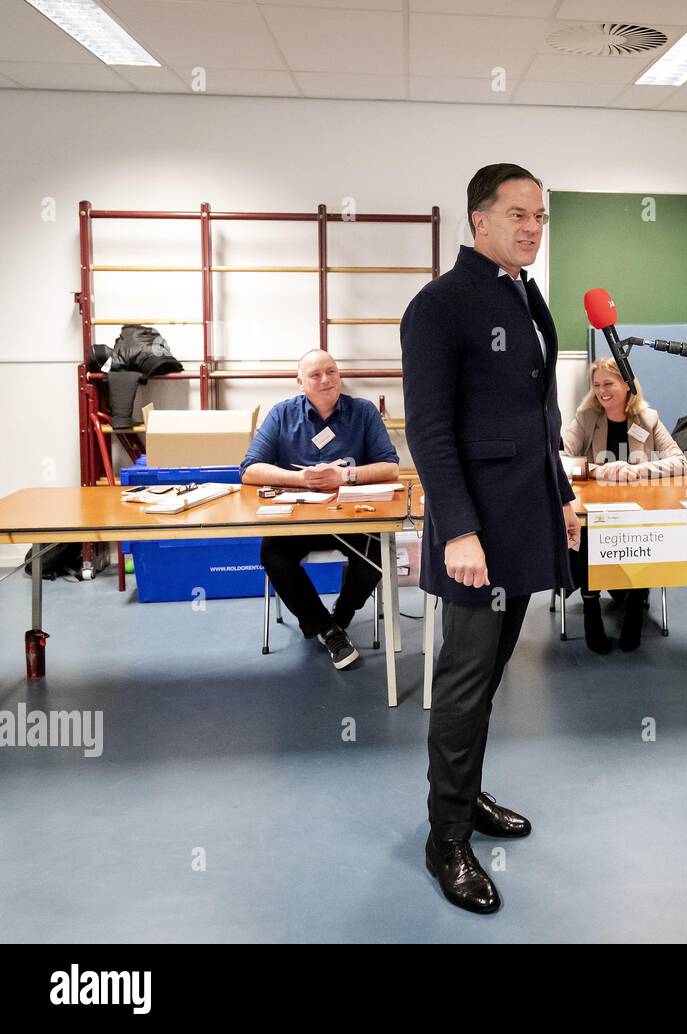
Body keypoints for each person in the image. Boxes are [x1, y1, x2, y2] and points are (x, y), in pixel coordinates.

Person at [401, 163, 581, 915]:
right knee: (464, 682)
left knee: (492, 676)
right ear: (478, 221)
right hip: (476, 531)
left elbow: (536, 415)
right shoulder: (440, 306)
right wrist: (461, 532)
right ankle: (446, 838)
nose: (532, 227)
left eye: (539, 215)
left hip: (525, 515)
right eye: (517, 214)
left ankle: (467, 796)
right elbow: (431, 431)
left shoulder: (523, 293)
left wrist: (563, 494)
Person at [240, 348, 398, 670]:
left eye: (332, 372)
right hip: (299, 520)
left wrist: (346, 475)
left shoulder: (363, 412)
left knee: (377, 552)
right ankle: (325, 628)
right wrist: (300, 479)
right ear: (300, 382)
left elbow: (390, 468)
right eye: (315, 375)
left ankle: (340, 617)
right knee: (273, 556)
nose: (326, 380)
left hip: (350, 517)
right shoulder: (282, 414)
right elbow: (249, 470)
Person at [561, 357, 687, 653]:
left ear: (627, 385)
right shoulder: (587, 417)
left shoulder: (646, 418)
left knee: (644, 534)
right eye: (596, 385)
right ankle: (591, 609)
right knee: (588, 536)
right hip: (595, 508)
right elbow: (559, 459)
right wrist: (596, 470)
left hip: (636, 508)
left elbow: (680, 461)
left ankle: (634, 606)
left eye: (609, 384)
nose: (602, 391)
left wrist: (639, 470)